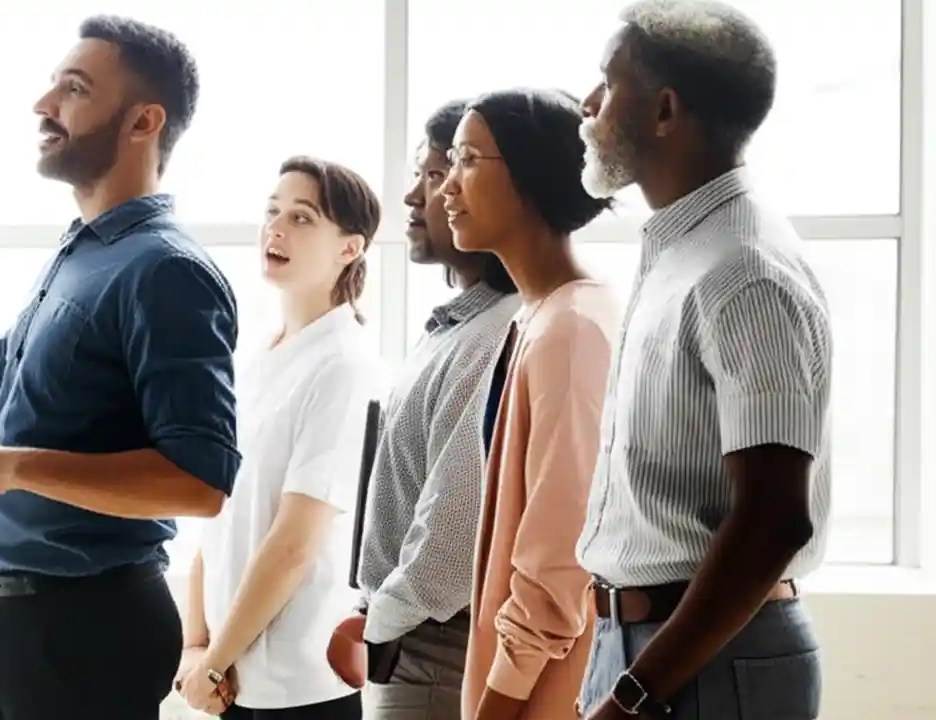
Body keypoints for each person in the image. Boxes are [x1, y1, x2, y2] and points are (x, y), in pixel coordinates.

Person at [0, 15, 240, 719]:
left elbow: (199, 480)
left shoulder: (166, 271)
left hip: (91, 627)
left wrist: (10, 468)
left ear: (142, 121)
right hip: (27, 625)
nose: (43, 105)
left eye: (74, 88)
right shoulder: (81, 257)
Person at [573, 3, 833, 719]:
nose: (588, 105)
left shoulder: (744, 271)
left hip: (706, 662)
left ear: (664, 110)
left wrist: (635, 693)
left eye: (606, 83)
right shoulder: (683, 252)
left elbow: (775, 518)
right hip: (647, 651)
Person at [330, 99, 523, 720]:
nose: (415, 196)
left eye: (438, 174)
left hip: (435, 644)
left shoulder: (498, 331)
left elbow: (454, 524)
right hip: (411, 643)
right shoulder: (456, 328)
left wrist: (381, 620)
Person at [175, 156, 385, 720]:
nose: (277, 228)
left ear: (350, 248)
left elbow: (295, 542)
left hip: (297, 686)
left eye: (302, 218)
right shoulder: (259, 358)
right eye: (272, 212)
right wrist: (196, 644)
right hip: (233, 675)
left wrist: (214, 660)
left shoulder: (345, 363)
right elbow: (217, 515)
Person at [437, 89, 618, 720]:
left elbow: (559, 557)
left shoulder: (573, 328)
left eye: (467, 160)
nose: (445, 188)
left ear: (532, 172)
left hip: (545, 698)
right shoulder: (539, 319)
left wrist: (497, 707)